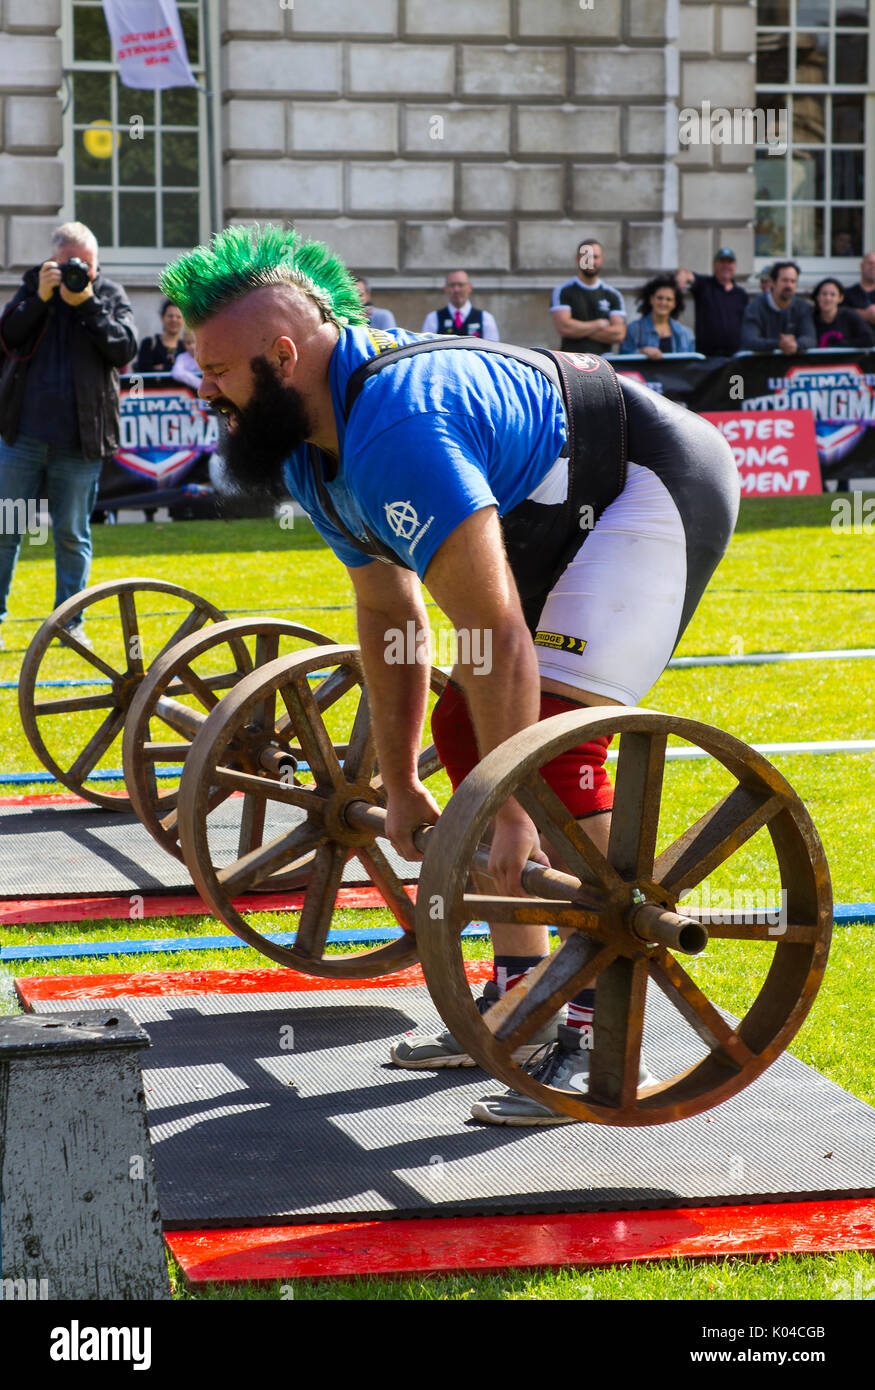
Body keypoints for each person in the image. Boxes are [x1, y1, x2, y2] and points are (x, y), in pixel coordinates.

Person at [161, 225, 738, 1125]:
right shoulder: (314, 448)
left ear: (283, 355)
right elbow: (393, 620)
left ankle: (579, 1020)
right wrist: (396, 785)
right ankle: (521, 1004)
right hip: (553, 500)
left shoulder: (394, 427)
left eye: (220, 371)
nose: (204, 389)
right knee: (469, 728)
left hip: (646, 484)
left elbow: (493, 634)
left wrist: (505, 808)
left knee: (543, 729)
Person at [0, 221, 137, 649]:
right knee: (7, 528)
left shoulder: (108, 294)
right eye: (69, 264)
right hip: (23, 435)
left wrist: (88, 303)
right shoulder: (32, 287)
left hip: (82, 440)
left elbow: (124, 349)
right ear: (51, 262)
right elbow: (7, 336)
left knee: (71, 533)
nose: (79, 271)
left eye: (87, 264)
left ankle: (69, 622)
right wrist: (40, 299)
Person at [549, 239, 626, 355]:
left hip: (604, 362)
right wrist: (599, 324)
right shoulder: (562, 291)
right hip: (571, 361)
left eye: (595, 257)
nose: (591, 261)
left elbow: (618, 334)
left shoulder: (613, 294)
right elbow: (564, 328)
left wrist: (578, 330)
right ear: (577, 259)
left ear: (602, 259)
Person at [674, 249, 748, 357]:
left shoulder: (741, 294)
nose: (726, 265)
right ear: (714, 264)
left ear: (734, 266)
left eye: (729, 262)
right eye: (722, 261)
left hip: (734, 358)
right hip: (708, 357)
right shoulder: (704, 285)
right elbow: (686, 273)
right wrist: (681, 276)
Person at [740, 261, 816, 353]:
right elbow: (749, 341)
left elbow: (811, 339)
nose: (789, 285)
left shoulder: (803, 307)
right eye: (784, 280)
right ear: (772, 282)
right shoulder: (755, 307)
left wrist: (796, 344)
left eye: (793, 281)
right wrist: (779, 344)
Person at [621, 275, 695, 357]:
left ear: (674, 303)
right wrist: (641, 352)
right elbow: (623, 360)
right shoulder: (633, 329)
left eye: (668, 299)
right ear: (651, 299)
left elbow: (690, 365)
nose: (663, 303)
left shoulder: (685, 333)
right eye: (660, 298)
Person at [421, 270, 499, 339]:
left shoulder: (485, 318)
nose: (456, 290)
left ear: (470, 288)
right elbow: (426, 350)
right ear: (445, 289)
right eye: (452, 285)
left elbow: (492, 352)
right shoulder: (433, 318)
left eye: (460, 285)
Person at [811, 278, 875, 349]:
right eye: (824, 294)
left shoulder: (850, 315)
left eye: (833, 295)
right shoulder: (811, 318)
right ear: (817, 297)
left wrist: (841, 345)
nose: (828, 298)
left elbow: (869, 339)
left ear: (840, 298)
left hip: (848, 359)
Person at [134, 299, 184, 373]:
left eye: (178, 317)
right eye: (170, 316)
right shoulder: (149, 344)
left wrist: (163, 367)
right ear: (162, 317)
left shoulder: (186, 347)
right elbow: (144, 371)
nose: (174, 320)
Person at [842, 252, 875, 328]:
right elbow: (840, 314)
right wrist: (865, 314)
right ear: (861, 266)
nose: (873, 266)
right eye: (870, 263)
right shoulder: (847, 294)